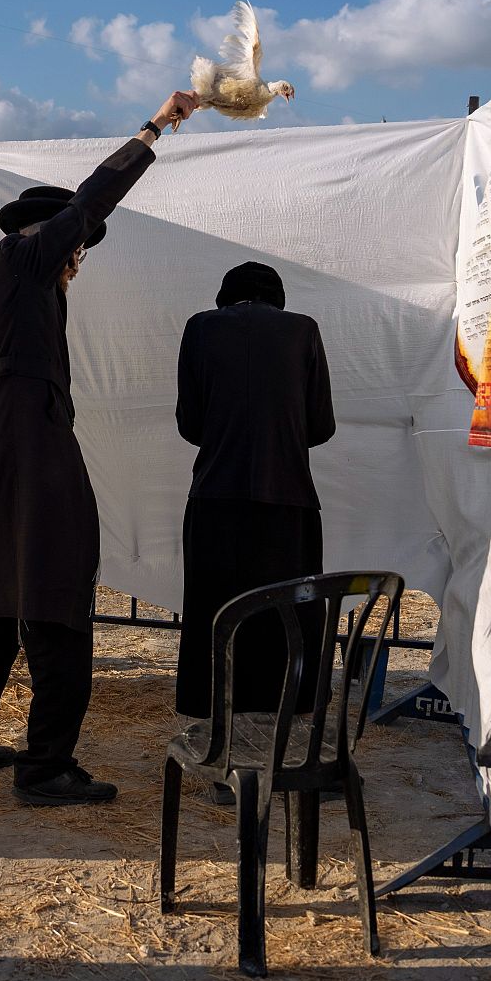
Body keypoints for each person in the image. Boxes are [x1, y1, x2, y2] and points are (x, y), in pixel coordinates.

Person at [0, 89, 201, 807]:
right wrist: (156, 128)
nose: (78, 260)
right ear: (53, 237)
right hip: (30, 443)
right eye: (77, 248)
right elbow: (91, 199)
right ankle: (45, 764)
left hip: (1, 450)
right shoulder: (24, 257)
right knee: (57, 590)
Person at [173, 262, 335, 726]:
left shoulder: (200, 328)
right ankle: (284, 705)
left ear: (225, 296)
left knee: (216, 607)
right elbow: (321, 425)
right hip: (288, 494)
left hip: (215, 492)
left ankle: (218, 709)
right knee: (288, 608)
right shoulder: (303, 330)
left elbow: (190, 423)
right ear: (277, 298)